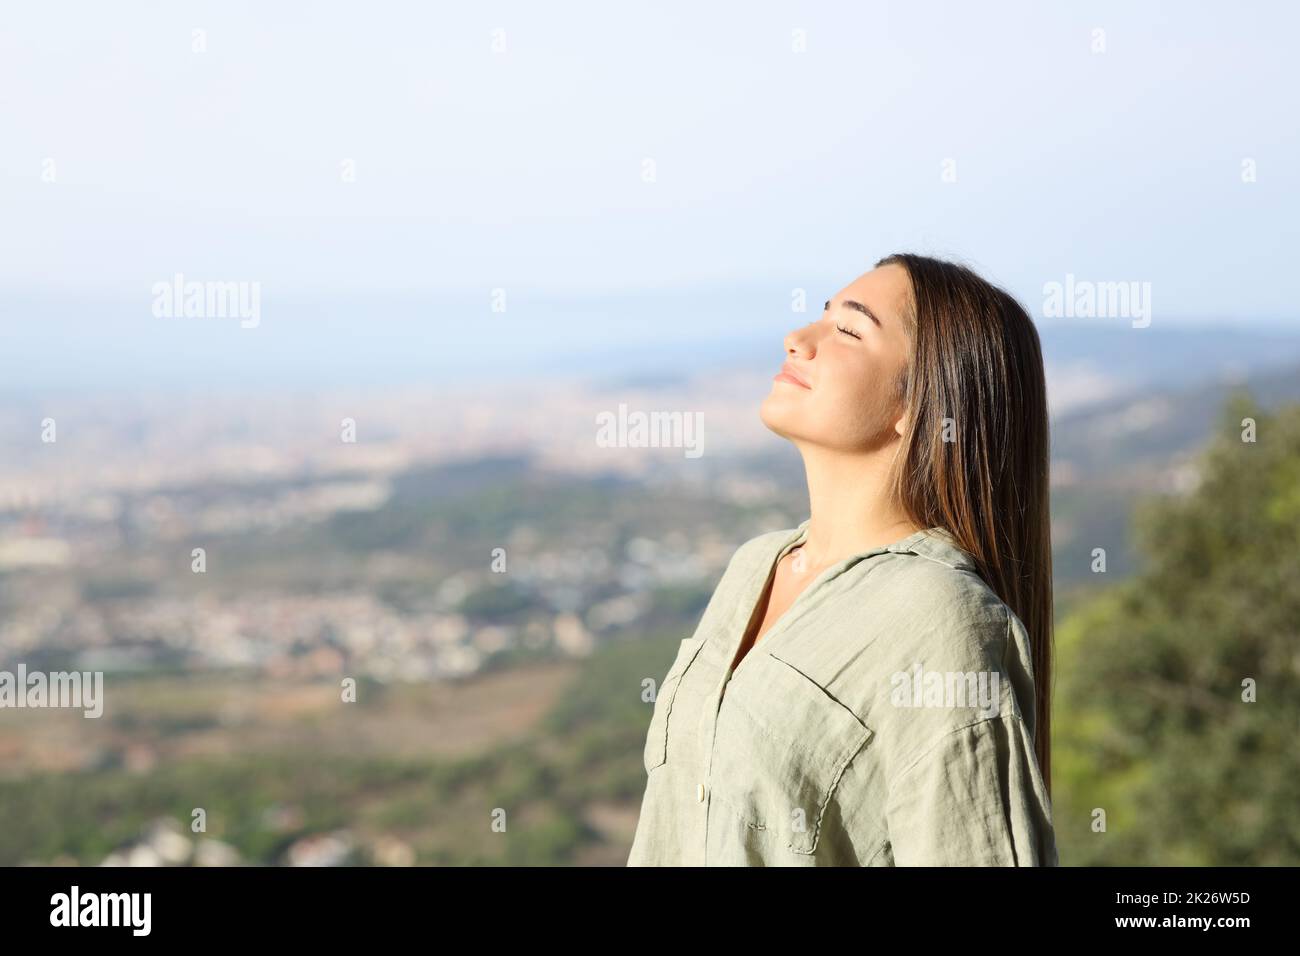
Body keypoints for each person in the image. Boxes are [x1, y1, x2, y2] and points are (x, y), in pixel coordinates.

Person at [627, 252, 1058, 866]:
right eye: (821, 315)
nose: (798, 339)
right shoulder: (755, 566)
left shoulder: (938, 618)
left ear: (924, 405)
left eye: (849, 330)